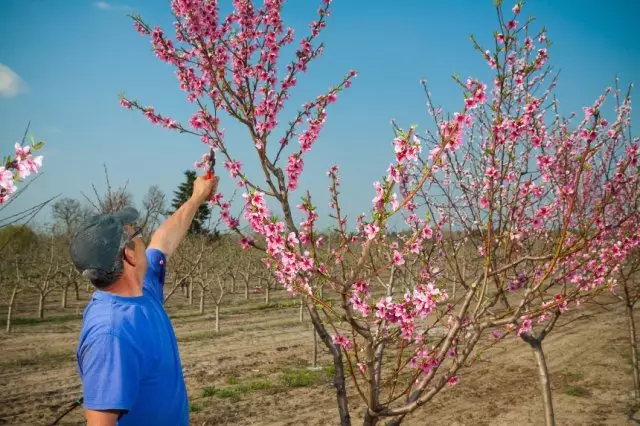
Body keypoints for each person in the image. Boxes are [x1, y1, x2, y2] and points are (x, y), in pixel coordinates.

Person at [70, 172, 219, 426]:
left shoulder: (141, 288)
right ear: (129, 256)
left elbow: (164, 239)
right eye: (136, 233)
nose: (144, 237)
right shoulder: (111, 335)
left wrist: (197, 197)